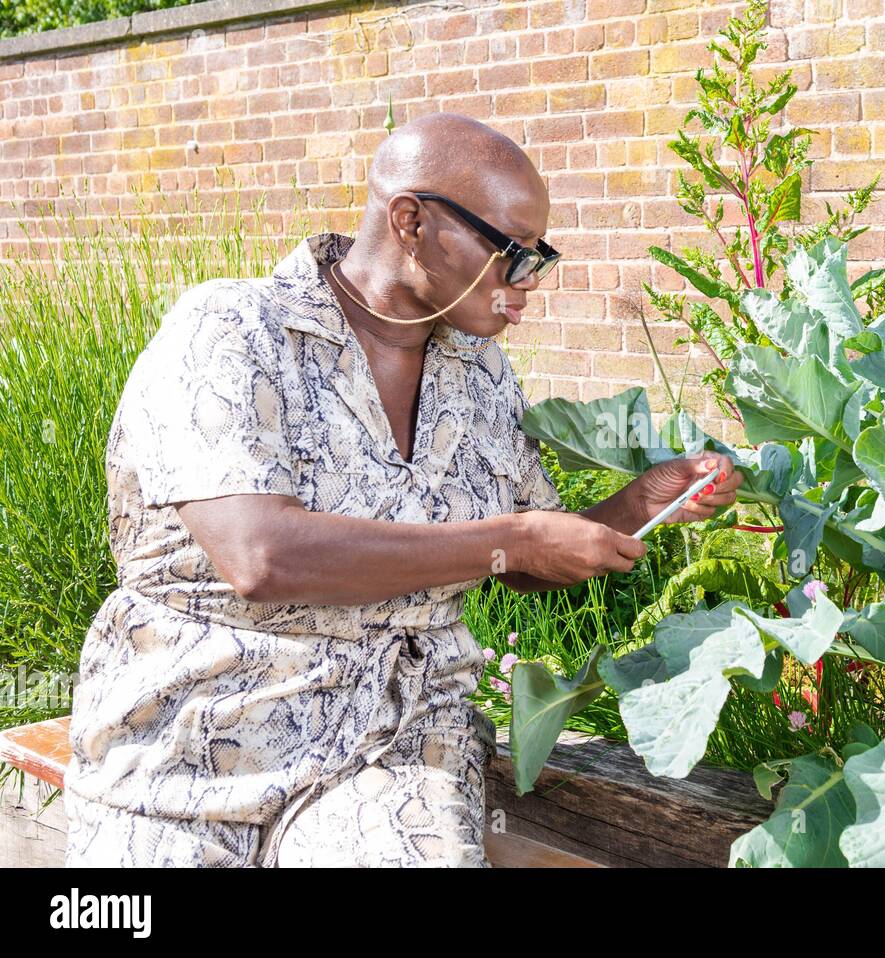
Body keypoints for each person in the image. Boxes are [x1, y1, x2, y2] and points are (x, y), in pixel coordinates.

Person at [62, 112, 740, 867]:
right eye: (512, 252)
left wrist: (641, 505)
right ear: (411, 220)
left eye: (540, 257)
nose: (529, 284)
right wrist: (511, 539)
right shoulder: (232, 331)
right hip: (190, 735)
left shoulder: (478, 371)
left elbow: (517, 560)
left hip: (395, 734)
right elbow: (260, 557)